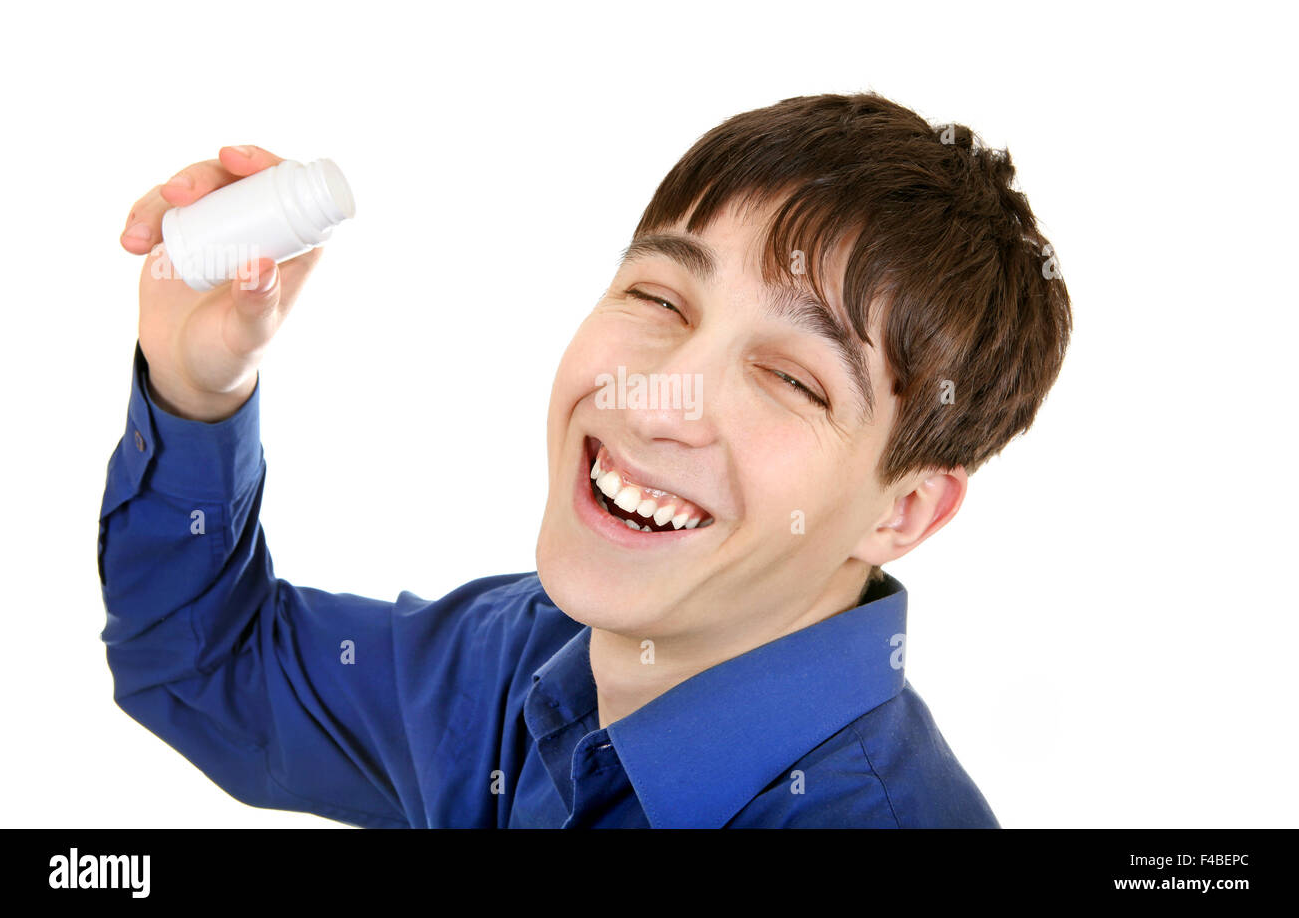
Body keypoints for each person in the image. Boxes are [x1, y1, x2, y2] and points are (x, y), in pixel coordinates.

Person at [100, 92, 1072, 827]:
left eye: (792, 378)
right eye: (659, 300)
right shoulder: (516, 657)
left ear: (901, 511)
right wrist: (197, 390)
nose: (658, 400)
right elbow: (207, 669)